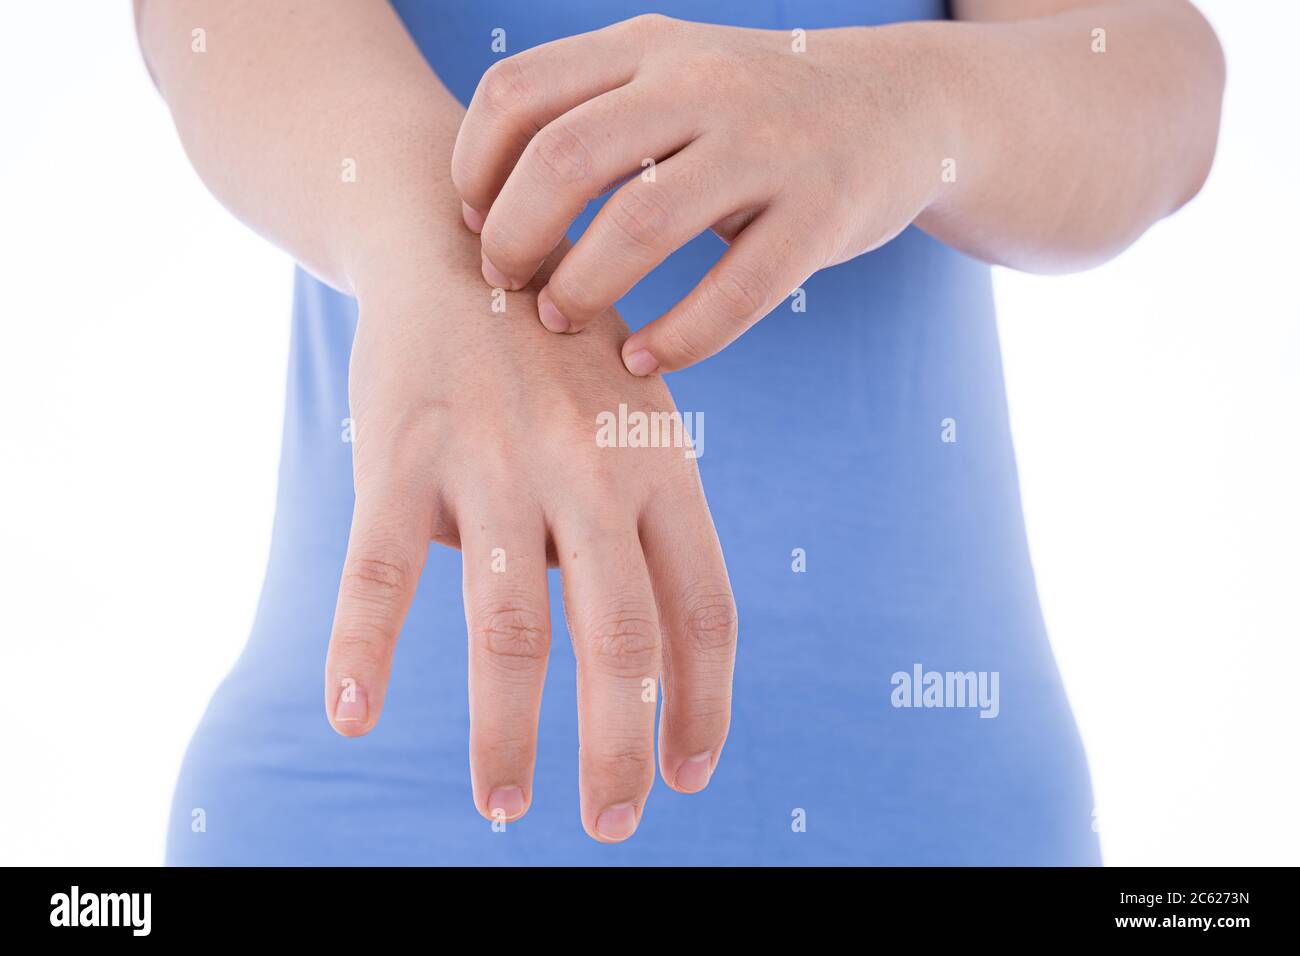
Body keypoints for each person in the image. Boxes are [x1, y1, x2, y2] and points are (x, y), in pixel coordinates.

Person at [137, 0, 1223, 864]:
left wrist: (904, 103)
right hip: (355, 818)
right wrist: (452, 255)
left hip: (938, 821)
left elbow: (1159, 75)